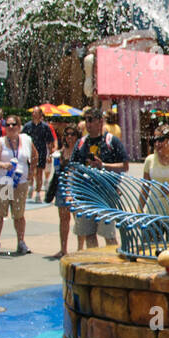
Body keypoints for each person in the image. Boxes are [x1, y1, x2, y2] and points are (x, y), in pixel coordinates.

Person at [73, 108, 128, 248]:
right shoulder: (81, 143)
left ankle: (113, 264)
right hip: (85, 196)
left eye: (91, 120)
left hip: (106, 196)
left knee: (108, 235)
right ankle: (95, 262)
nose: (88, 124)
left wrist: (103, 165)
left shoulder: (112, 141)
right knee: (89, 234)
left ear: (100, 121)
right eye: (86, 120)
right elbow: (73, 168)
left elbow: (125, 166)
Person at [0, 115, 34, 256]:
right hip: (3, 182)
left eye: (14, 124)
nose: (11, 127)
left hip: (20, 182)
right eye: (8, 125)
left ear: (19, 127)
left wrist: (31, 171)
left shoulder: (26, 140)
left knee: (19, 214)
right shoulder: (0, 142)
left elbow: (36, 156)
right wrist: (3, 165)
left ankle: (21, 242)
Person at [47, 125, 84, 257]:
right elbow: (57, 171)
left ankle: (80, 249)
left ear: (77, 136)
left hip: (76, 188)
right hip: (62, 188)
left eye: (72, 134)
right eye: (67, 134)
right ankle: (63, 249)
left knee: (78, 219)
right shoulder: (61, 152)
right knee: (63, 219)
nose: (69, 137)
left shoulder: (80, 151)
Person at [22, 106, 57, 202]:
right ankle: (30, 187)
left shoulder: (45, 127)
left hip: (41, 152)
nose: (34, 114)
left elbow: (50, 142)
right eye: (33, 112)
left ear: (40, 115)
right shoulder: (27, 126)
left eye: (36, 113)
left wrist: (49, 155)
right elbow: (22, 139)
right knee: (30, 171)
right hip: (29, 152)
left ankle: (37, 193)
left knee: (39, 172)